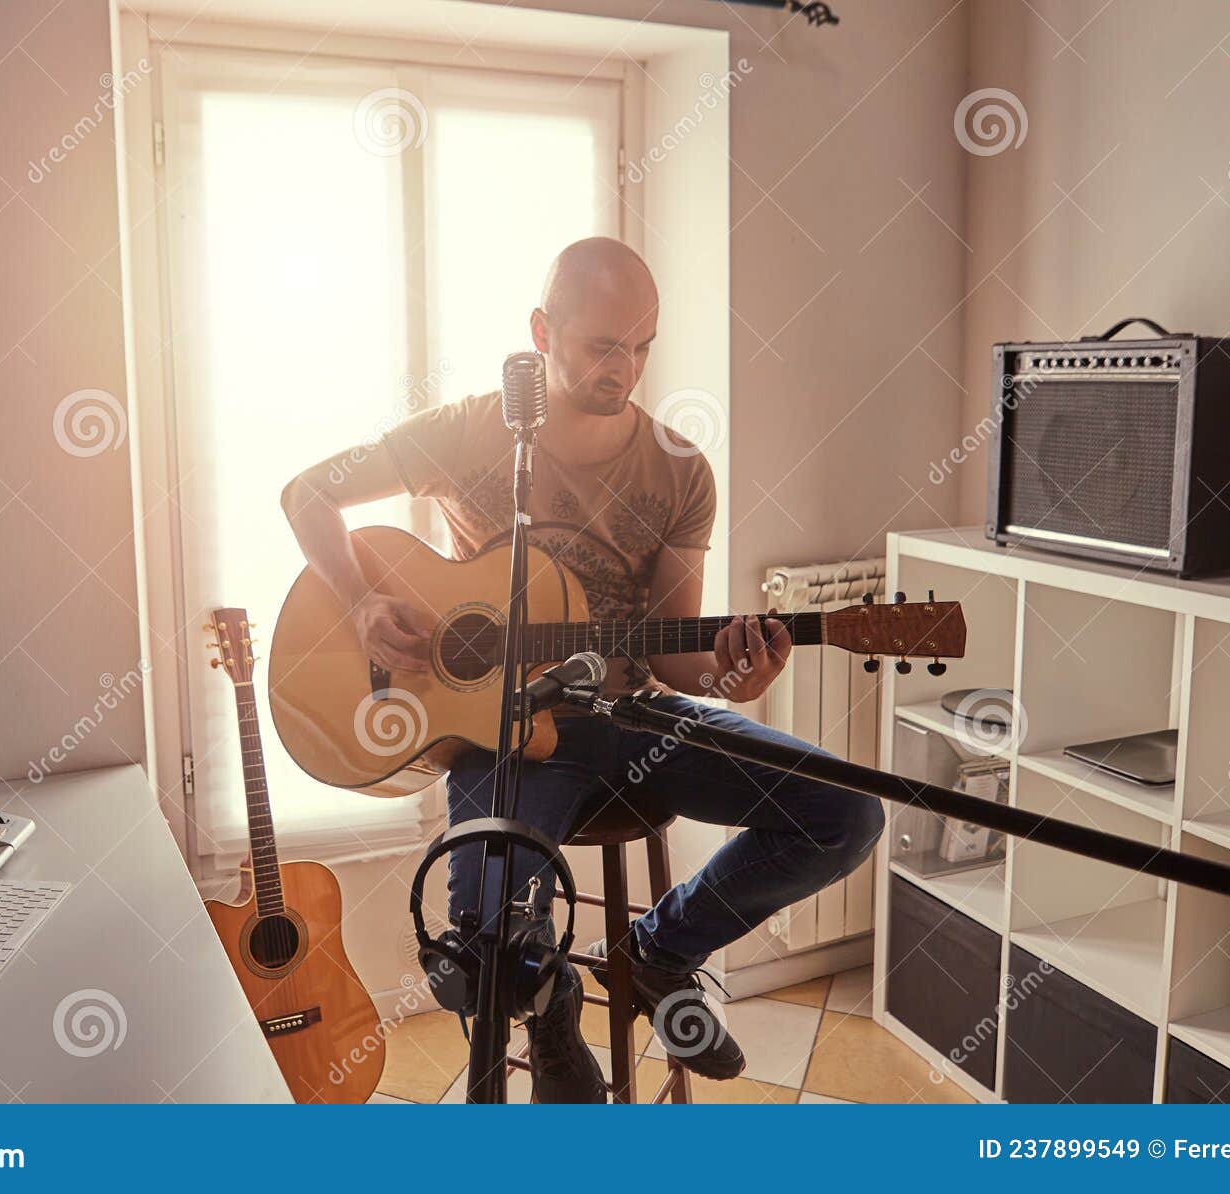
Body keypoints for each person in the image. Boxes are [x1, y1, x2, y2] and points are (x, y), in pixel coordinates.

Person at [281, 236, 885, 1102]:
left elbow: (675, 650)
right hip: (505, 731)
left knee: (846, 811)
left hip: (635, 719)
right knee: (477, 951)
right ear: (541, 333)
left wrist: (731, 678)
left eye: (642, 347)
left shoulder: (681, 470)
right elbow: (305, 492)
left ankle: (658, 949)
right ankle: (553, 1002)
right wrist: (363, 601)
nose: (626, 369)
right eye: (604, 346)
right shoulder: (466, 431)